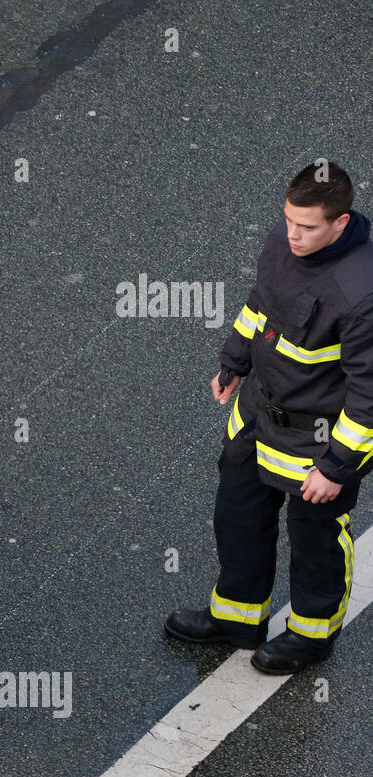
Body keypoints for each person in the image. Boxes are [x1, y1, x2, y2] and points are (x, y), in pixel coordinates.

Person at [165, 161, 373, 674]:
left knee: (316, 540)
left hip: (316, 442)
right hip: (258, 418)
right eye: (288, 220)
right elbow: (260, 307)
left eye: (307, 227)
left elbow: (370, 392)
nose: (292, 235)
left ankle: (310, 636)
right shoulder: (284, 245)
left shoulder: (361, 292)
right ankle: (237, 618)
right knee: (238, 519)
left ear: (340, 224)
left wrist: (338, 466)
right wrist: (233, 361)